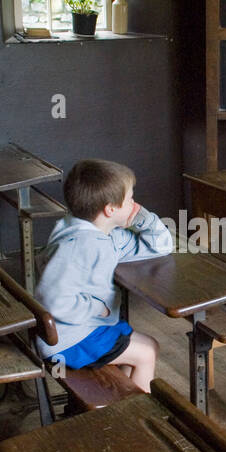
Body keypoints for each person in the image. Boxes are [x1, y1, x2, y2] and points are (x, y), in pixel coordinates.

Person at [34, 159, 173, 391]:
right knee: (146, 352)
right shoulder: (82, 245)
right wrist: (97, 309)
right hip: (66, 340)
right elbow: (54, 300)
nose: (135, 204)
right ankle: (139, 420)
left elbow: (159, 246)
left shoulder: (102, 234)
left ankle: (125, 409)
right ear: (111, 209)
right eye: (130, 199)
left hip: (79, 330)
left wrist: (144, 219)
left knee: (148, 348)